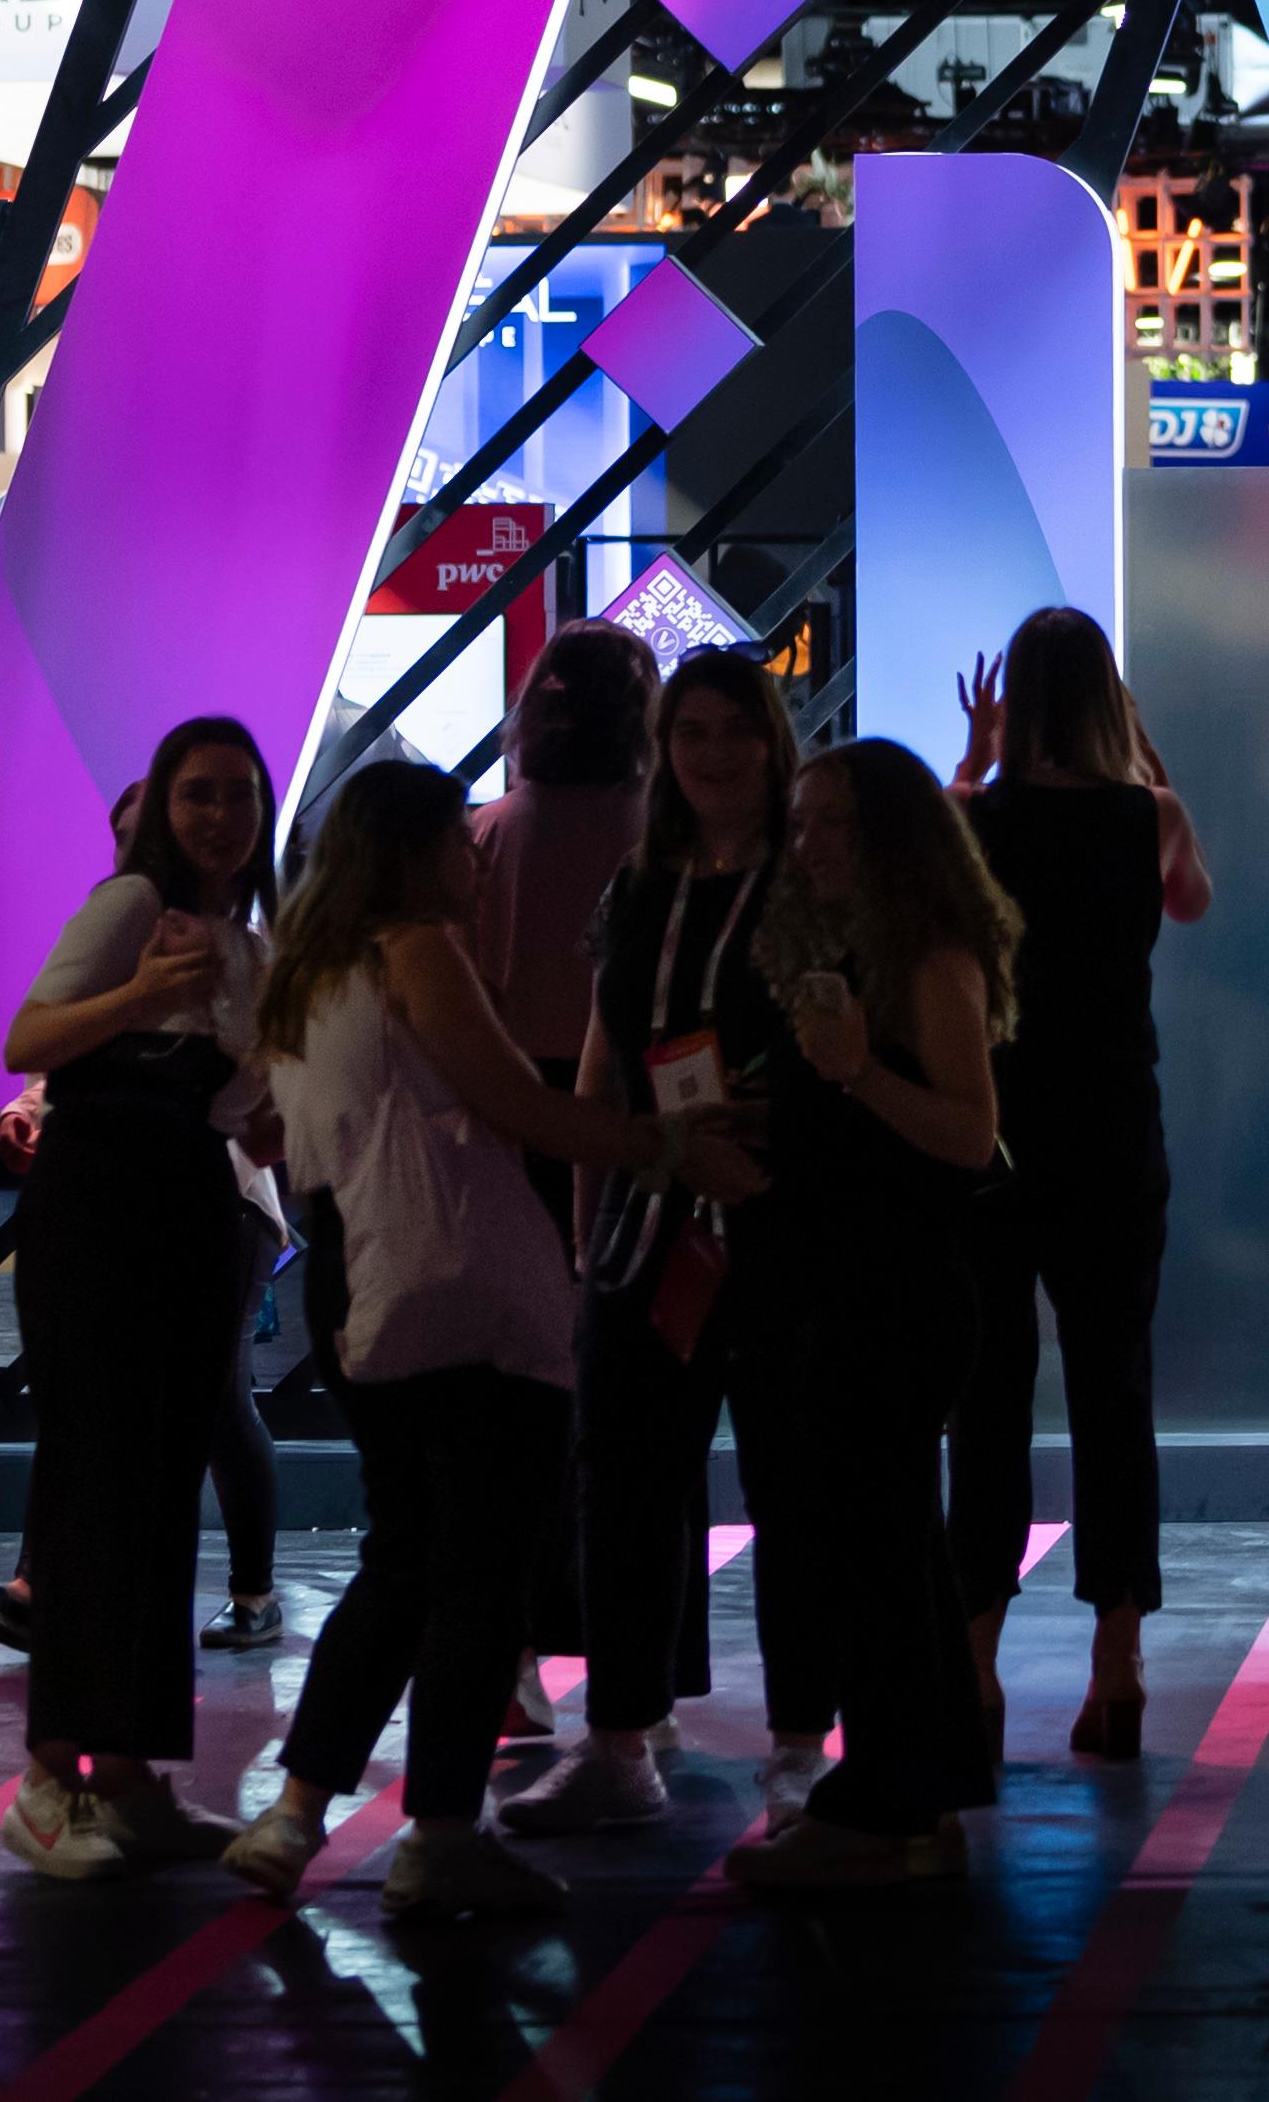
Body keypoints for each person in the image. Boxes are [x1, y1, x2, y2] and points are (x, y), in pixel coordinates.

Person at [222, 759, 736, 1918]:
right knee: (484, 1574)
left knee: (404, 1556)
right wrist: (666, 1146)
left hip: (361, 1283)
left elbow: (263, 1127)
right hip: (467, 1281)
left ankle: (297, 1812)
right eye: (460, 837)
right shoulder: (415, 949)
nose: (476, 855)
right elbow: (519, 1105)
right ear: (412, 851)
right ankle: (440, 1832)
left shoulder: (306, 979)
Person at [508, 648, 825, 1837]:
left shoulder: (813, 884)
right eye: (689, 732)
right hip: (649, 1225)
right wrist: (593, 1228)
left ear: (770, 739)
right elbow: (602, 1057)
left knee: (795, 1486)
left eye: (731, 730)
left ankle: (801, 1744)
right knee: (627, 1486)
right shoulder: (642, 882)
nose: (711, 754)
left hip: (780, 1228)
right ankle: (620, 1736)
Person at [717, 740, 1023, 1894]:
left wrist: (849, 1074)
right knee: (891, 1553)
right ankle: (921, 1786)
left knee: (874, 1553)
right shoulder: (844, 954)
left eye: (835, 823)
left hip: (893, 1292)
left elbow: (966, 1134)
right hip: (838, 1283)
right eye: (802, 823)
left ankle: (886, 1795)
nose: (811, 844)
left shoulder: (926, 959)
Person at [0, 716, 285, 1879]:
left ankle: (136, 1774)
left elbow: (248, 1114)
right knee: (92, 1490)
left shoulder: (249, 948)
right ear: (164, 803)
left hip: (192, 1219)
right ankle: (51, 1778)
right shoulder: (125, 912)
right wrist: (149, 989)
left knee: (161, 1495)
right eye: (200, 792)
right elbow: (30, 1033)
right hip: (97, 1208)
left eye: (240, 796)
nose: (220, 814)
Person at [942, 607, 1214, 1759]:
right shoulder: (1147, 815)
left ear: (1015, 704)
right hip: (1113, 1126)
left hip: (994, 1131)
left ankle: (976, 1660)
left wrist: (971, 759)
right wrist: (1146, 762)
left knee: (988, 1396)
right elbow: (1192, 900)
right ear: (1110, 700)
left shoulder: (968, 820)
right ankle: (1118, 1660)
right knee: (1115, 1389)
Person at [457, 622, 662, 1681]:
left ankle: (520, 1656)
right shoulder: (665, 832)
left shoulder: (493, 831)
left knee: (516, 1404)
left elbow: (470, 997)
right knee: (638, 1410)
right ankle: (640, 1680)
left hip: (516, 1122)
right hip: (646, 1123)